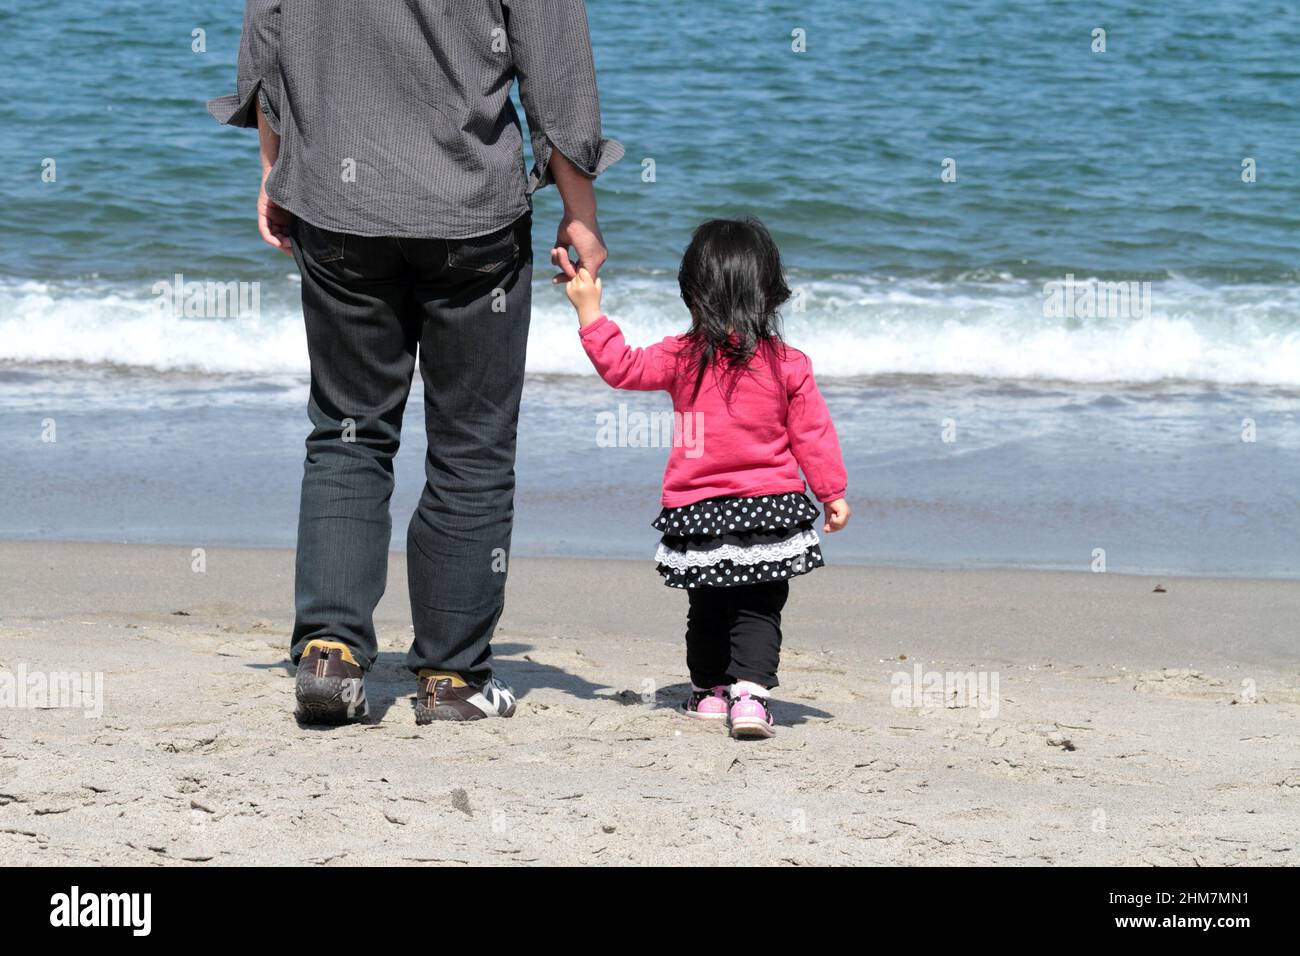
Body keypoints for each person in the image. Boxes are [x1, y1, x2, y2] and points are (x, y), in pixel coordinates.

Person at [207, 1, 623, 723]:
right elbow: (554, 61)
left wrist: (273, 166)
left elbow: (268, 35)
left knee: (347, 427)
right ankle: (453, 679)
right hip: (471, 208)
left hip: (337, 205)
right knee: (473, 444)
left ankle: (329, 652)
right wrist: (580, 208)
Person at [563, 218, 851, 739]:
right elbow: (812, 434)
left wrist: (589, 310)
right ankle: (751, 697)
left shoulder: (681, 356)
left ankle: (711, 692)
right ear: (771, 293)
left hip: (698, 507)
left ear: (692, 293)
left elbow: (621, 367)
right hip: (770, 505)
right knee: (760, 605)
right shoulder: (789, 363)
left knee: (708, 605)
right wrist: (832, 492)